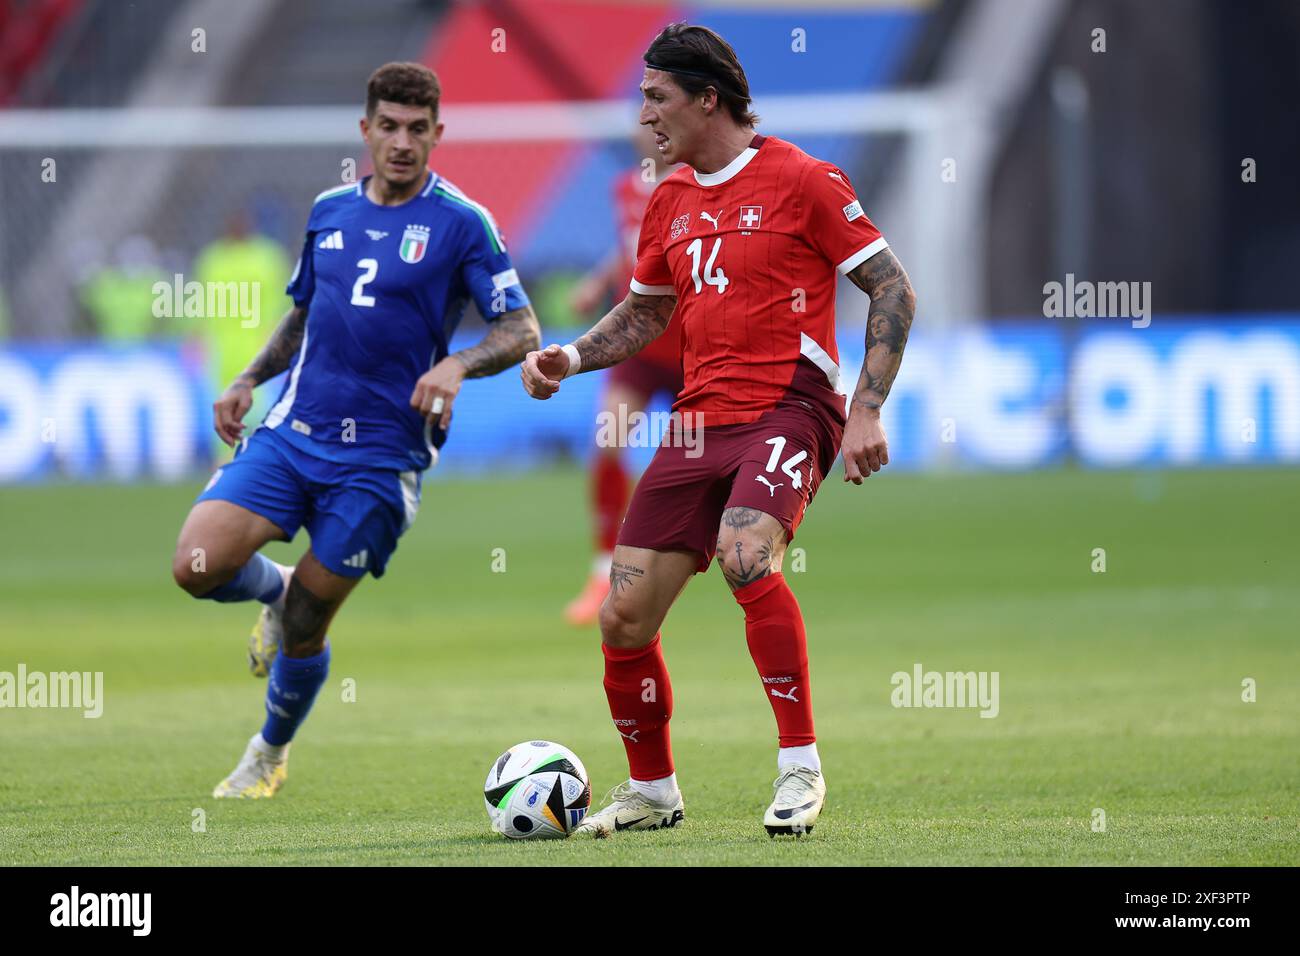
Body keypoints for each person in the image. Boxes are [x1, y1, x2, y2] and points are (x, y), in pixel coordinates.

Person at [521, 24, 916, 837]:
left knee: (745, 555)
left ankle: (800, 770)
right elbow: (644, 314)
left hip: (789, 405)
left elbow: (892, 289)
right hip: (699, 422)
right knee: (622, 617)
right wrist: (569, 356)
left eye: (656, 99)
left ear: (709, 99)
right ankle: (653, 791)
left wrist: (868, 407)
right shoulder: (667, 198)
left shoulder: (803, 179)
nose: (645, 117)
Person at [171, 61, 540, 798]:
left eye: (418, 129)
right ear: (365, 130)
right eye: (390, 127)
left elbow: (523, 327)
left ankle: (267, 755)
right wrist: (248, 377)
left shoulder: (462, 225)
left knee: (307, 623)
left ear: (438, 133)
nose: (402, 142)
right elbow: (305, 311)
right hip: (293, 430)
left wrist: (460, 364)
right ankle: (270, 587)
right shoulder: (330, 210)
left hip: (380, 458)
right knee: (197, 566)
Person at [564, 125, 683, 625]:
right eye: (643, 112)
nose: (649, 125)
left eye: (658, 110)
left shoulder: (698, 186)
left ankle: (675, 572)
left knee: (695, 466)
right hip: (638, 347)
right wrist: (599, 282)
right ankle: (602, 571)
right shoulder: (625, 188)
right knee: (609, 440)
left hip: (694, 349)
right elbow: (634, 249)